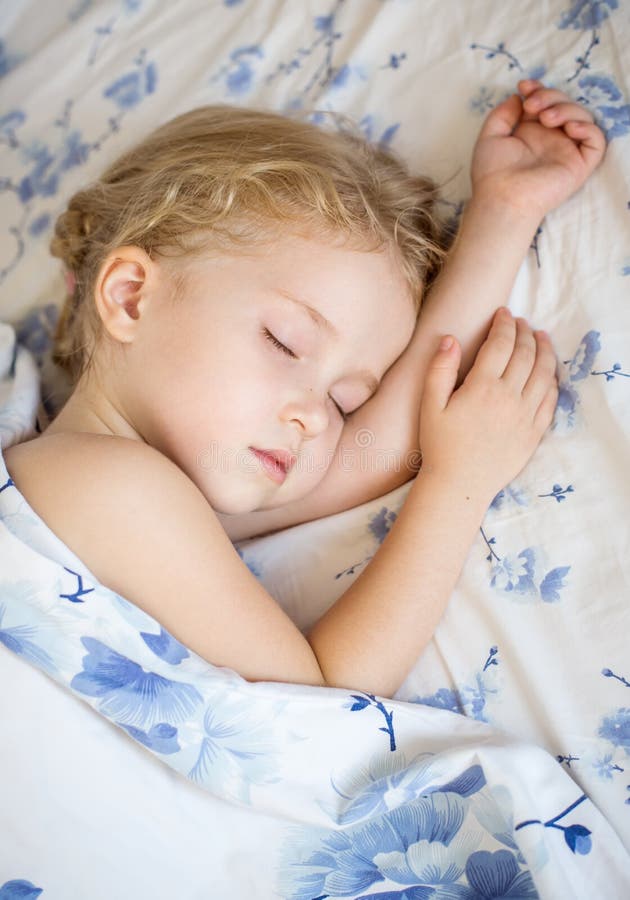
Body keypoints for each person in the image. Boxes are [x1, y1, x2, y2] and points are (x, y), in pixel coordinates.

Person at [3, 79, 605, 698]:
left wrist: (504, 213)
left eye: (346, 400)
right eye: (284, 343)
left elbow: (376, 451)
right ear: (131, 296)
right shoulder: (109, 487)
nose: (318, 419)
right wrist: (459, 486)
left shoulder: (123, 482)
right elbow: (329, 694)